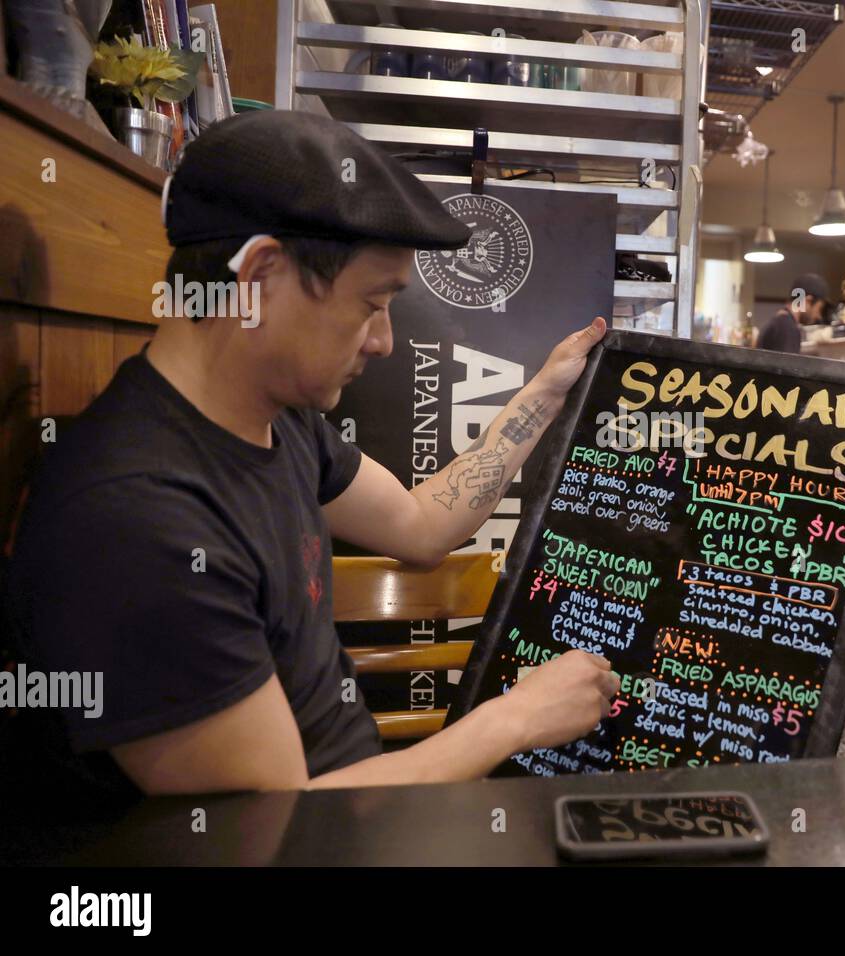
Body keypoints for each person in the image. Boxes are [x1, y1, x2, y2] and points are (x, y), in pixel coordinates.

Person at [0, 110, 618, 820]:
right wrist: (517, 719)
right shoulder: (137, 519)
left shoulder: (279, 420)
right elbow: (272, 829)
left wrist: (543, 391)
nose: (384, 341)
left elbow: (421, 525)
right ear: (260, 275)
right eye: (372, 304)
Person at [754, 273, 831, 353]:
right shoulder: (788, 328)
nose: (819, 316)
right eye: (819, 309)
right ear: (808, 301)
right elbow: (786, 365)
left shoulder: (778, 322)